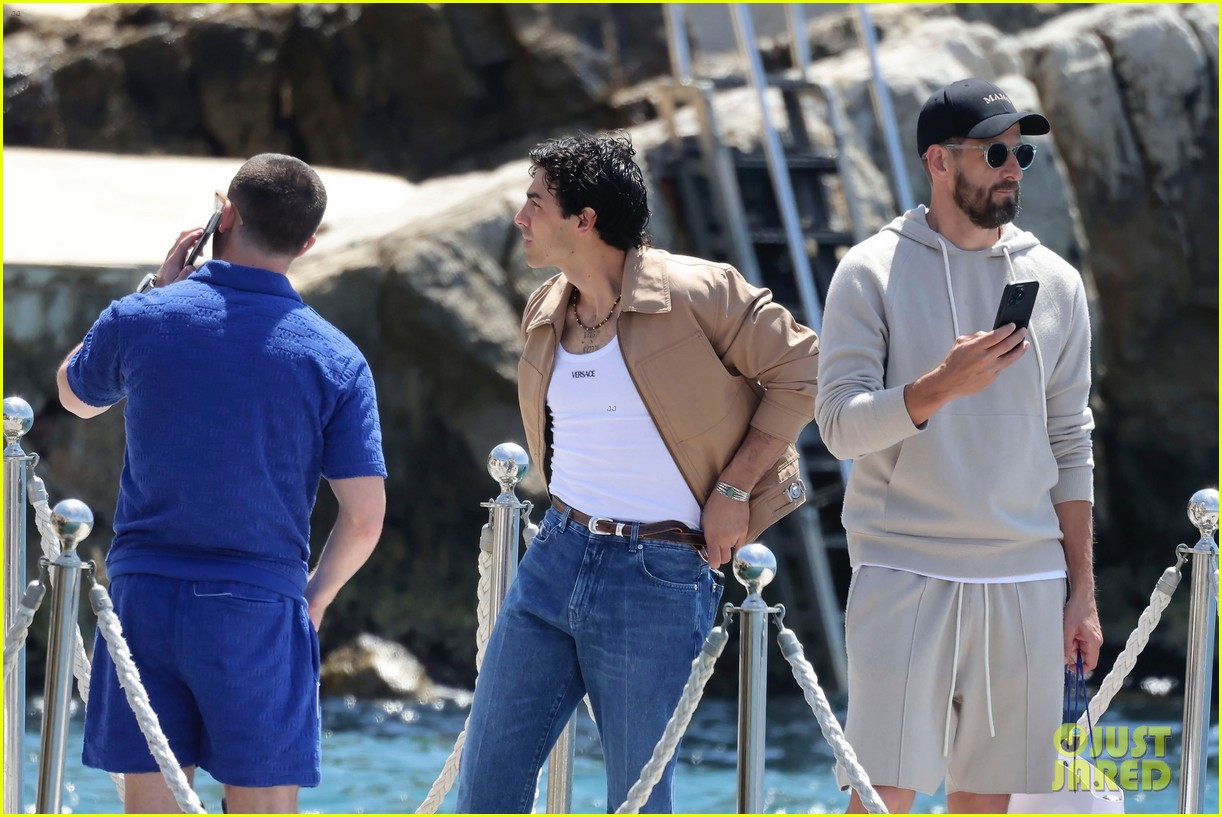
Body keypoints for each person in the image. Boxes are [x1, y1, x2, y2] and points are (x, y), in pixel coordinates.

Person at [455, 133, 819, 813]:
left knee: (638, 800)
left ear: (584, 219)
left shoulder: (697, 290)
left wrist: (735, 488)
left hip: (658, 573)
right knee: (485, 788)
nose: (521, 217)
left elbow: (804, 370)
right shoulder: (545, 309)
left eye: (536, 202)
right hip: (553, 556)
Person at [57, 153, 387, 814]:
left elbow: (72, 394)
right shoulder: (334, 357)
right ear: (308, 242)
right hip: (258, 607)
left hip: (145, 598)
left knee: (154, 806)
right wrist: (314, 599)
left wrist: (156, 287)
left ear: (224, 217)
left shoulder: (141, 317)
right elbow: (364, 515)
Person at [815, 78, 1103, 813]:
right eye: (995, 151)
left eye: (1022, 152)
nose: (1013, 166)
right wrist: (936, 386)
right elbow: (839, 424)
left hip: (1026, 577)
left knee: (987, 799)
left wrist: (1082, 592)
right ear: (939, 162)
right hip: (904, 564)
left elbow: (1071, 443)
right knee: (885, 794)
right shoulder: (869, 271)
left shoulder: (1058, 284)